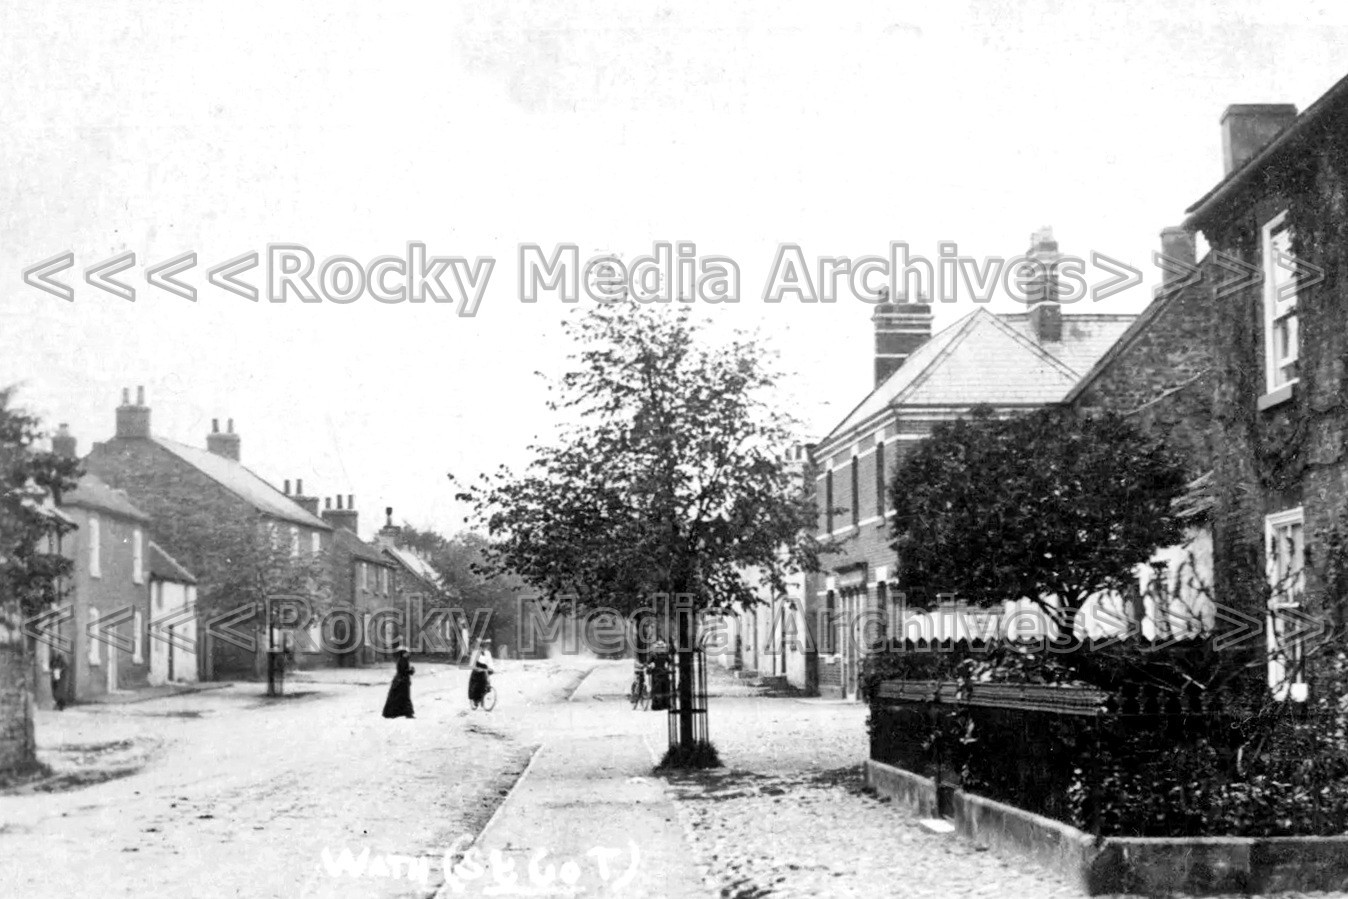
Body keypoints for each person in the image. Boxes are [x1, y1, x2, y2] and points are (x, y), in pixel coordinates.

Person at [381, 646, 415, 719]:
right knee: (402, 697)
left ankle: (400, 713)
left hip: (401, 681)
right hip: (401, 682)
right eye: (407, 653)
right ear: (403, 653)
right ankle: (405, 713)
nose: (408, 654)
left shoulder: (403, 660)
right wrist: (411, 671)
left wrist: (410, 671)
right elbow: (403, 671)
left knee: (400, 697)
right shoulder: (403, 660)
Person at [468, 639, 494, 710]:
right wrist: (476, 668)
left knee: (485, 684)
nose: (484, 648)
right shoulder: (475, 653)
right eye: (483, 646)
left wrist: (491, 668)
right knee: (475, 686)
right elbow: (472, 663)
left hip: (484, 670)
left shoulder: (487, 653)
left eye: (486, 646)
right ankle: (474, 700)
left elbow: (490, 662)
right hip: (477, 670)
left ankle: (482, 698)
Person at [649, 641, 672, 711]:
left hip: (659, 672)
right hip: (661, 672)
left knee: (661, 689)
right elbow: (670, 662)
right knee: (661, 689)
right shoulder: (661, 655)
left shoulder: (657, 655)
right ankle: (662, 704)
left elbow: (649, 662)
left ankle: (660, 704)